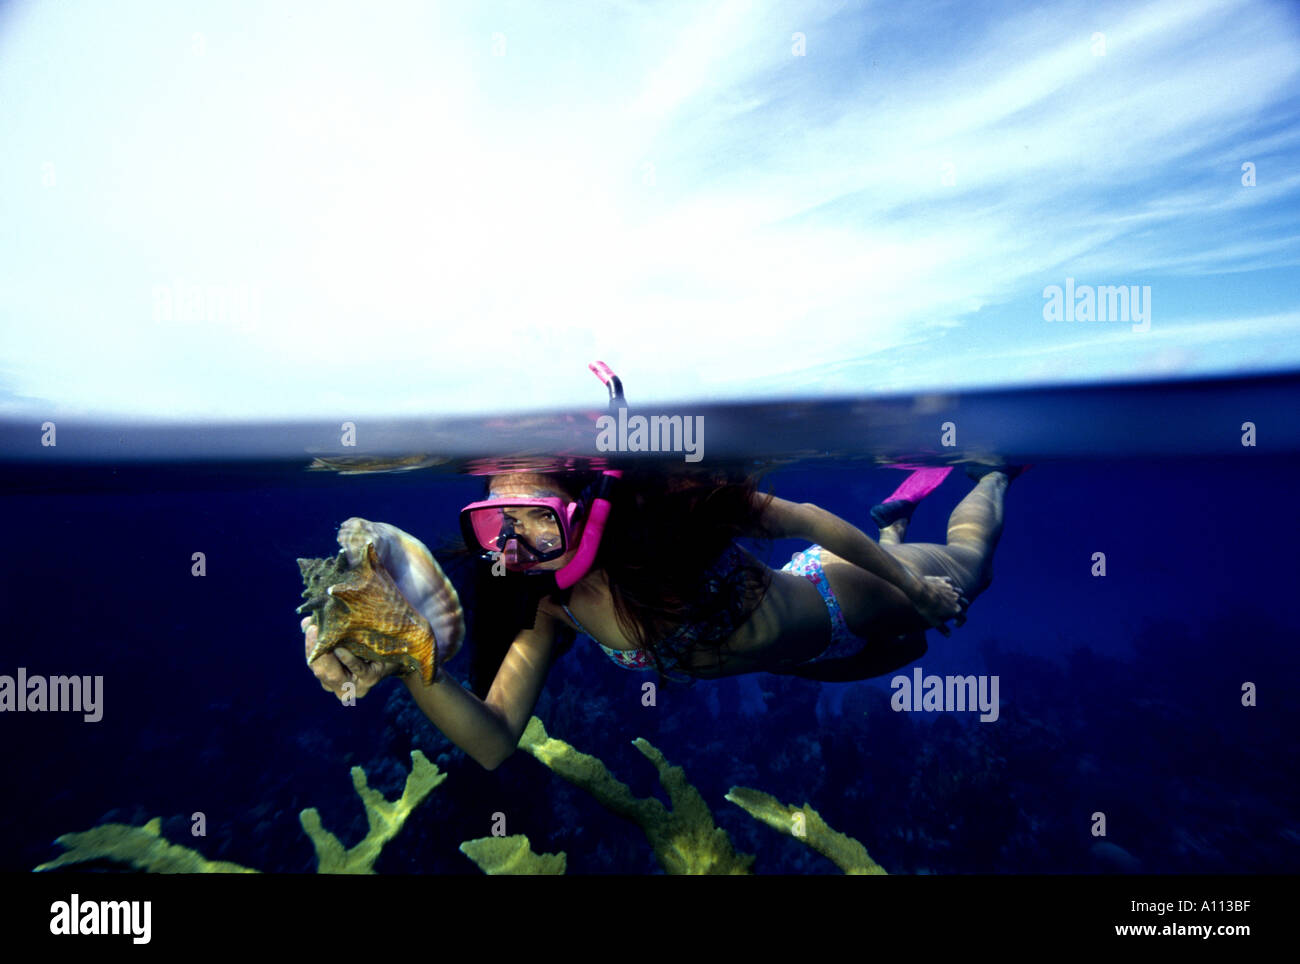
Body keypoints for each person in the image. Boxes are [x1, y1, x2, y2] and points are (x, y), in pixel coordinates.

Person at [302, 463, 1020, 770]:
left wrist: (914, 590)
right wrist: (407, 658)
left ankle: (991, 474)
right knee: (908, 656)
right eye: (498, 525)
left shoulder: (667, 517)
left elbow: (803, 517)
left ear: (583, 505)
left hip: (837, 594)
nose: (518, 544)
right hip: (800, 659)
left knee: (970, 572)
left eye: (540, 521)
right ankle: (894, 519)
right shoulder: (546, 606)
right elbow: (492, 742)